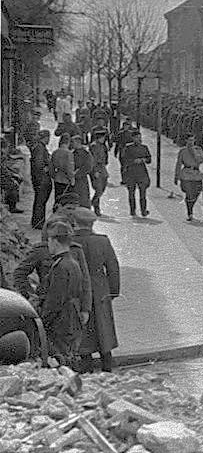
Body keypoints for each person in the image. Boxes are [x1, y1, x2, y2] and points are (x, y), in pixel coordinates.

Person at [69, 208, 120, 373]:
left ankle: (86, 370)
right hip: (100, 289)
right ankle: (107, 369)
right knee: (103, 328)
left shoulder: (69, 243)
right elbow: (113, 268)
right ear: (92, 224)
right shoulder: (102, 241)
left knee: (83, 330)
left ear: (74, 223)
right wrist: (113, 292)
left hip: (78, 290)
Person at [40, 221, 87, 368]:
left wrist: (43, 321)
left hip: (60, 322)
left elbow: (54, 302)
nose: (48, 244)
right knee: (69, 357)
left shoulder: (60, 267)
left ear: (55, 241)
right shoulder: (73, 262)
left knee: (60, 362)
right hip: (72, 318)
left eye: (49, 240)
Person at [120, 129, 151, 217]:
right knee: (131, 192)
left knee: (143, 193)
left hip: (141, 172)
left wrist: (143, 159)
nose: (138, 139)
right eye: (136, 137)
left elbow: (149, 159)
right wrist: (133, 161)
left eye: (139, 137)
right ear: (133, 138)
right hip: (131, 172)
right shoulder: (128, 148)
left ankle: (143, 210)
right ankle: (132, 210)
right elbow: (124, 159)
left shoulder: (144, 147)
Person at [174, 133, 203, 221]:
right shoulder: (183, 151)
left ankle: (190, 205)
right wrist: (176, 176)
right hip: (186, 174)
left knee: (197, 192)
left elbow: (200, 160)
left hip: (196, 174)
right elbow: (178, 164)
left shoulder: (198, 149)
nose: (191, 142)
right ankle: (190, 212)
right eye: (189, 140)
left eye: (193, 140)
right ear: (186, 141)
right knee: (189, 193)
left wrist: (194, 152)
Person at [30, 130, 52, 228]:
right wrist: (46, 168)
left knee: (40, 200)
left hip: (39, 178)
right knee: (40, 200)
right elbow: (39, 164)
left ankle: (38, 221)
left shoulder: (40, 147)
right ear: (45, 138)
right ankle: (38, 222)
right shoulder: (40, 148)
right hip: (41, 178)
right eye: (48, 137)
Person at [87, 129, 109, 216]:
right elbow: (92, 160)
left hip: (102, 168)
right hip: (96, 169)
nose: (104, 139)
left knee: (103, 187)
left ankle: (93, 203)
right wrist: (95, 171)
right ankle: (96, 208)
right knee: (99, 189)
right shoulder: (94, 146)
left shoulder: (103, 146)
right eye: (103, 137)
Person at [69, 136, 94, 209]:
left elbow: (89, 166)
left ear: (78, 142)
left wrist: (78, 173)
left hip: (82, 180)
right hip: (73, 180)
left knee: (83, 198)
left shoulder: (86, 153)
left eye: (73, 142)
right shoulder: (72, 153)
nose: (72, 144)